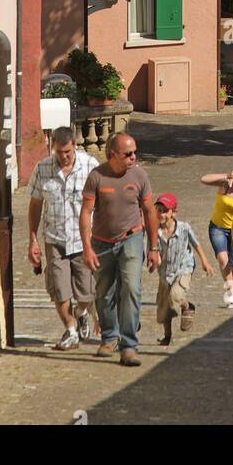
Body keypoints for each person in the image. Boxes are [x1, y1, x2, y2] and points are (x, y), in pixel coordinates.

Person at [80, 132, 159, 367]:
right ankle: (109, 337)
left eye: (135, 152)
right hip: (102, 241)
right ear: (113, 154)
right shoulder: (96, 177)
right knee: (104, 292)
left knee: (132, 289)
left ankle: (129, 346)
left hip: (132, 238)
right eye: (128, 153)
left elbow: (149, 210)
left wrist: (153, 247)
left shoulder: (139, 175)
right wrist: (87, 247)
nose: (133, 157)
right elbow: (86, 212)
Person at [27, 126, 100, 351]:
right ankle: (70, 330)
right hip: (55, 238)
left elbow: (103, 203)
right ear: (53, 148)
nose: (64, 157)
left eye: (68, 152)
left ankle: (82, 312)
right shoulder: (43, 168)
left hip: (84, 240)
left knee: (86, 291)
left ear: (75, 146)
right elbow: (36, 204)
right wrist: (32, 239)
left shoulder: (90, 166)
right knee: (59, 289)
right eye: (60, 152)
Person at [154, 192, 214, 346]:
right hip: (165, 273)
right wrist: (153, 260)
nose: (161, 214)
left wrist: (205, 261)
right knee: (164, 310)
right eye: (158, 210)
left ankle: (187, 306)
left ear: (173, 212)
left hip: (183, 268)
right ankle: (167, 337)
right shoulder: (155, 232)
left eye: (164, 210)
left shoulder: (184, 228)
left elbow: (196, 244)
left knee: (176, 294)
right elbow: (154, 250)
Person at [200, 166, 233, 307]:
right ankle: (230, 291)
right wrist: (227, 175)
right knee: (223, 260)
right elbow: (203, 179)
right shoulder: (226, 184)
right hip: (217, 228)